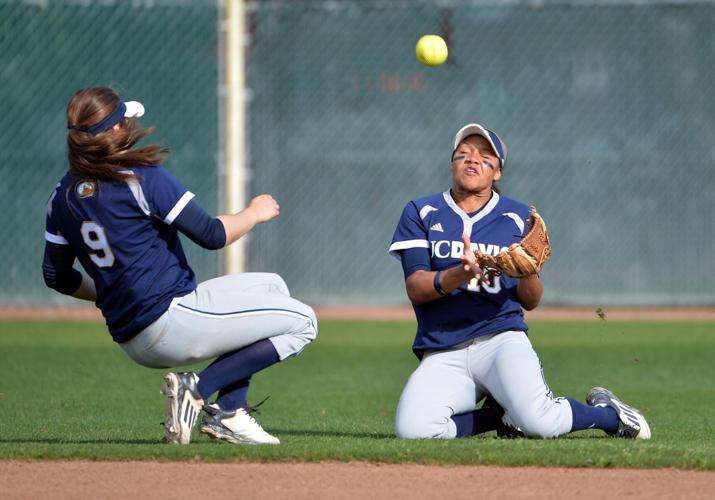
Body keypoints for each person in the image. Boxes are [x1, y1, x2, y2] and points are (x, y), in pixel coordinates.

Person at [43, 87, 317, 445]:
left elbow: (56, 276)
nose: (130, 124)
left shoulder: (61, 196)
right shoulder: (139, 178)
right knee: (304, 322)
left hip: (132, 336)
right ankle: (198, 389)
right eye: (124, 119)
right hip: (173, 320)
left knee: (271, 287)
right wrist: (254, 213)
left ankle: (231, 413)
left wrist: (108, 292)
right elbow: (211, 234)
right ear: (112, 131)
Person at [388, 122, 650, 440]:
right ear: (451, 163)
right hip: (444, 349)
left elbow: (531, 300)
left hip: (502, 340)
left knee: (540, 423)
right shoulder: (422, 210)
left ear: (497, 172)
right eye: (464, 153)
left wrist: (526, 270)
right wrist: (462, 273)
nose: (473, 160)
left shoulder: (518, 216)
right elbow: (416, 287)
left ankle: (611, 416)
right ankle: (497, 417)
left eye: (485, 156)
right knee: (414, 430)